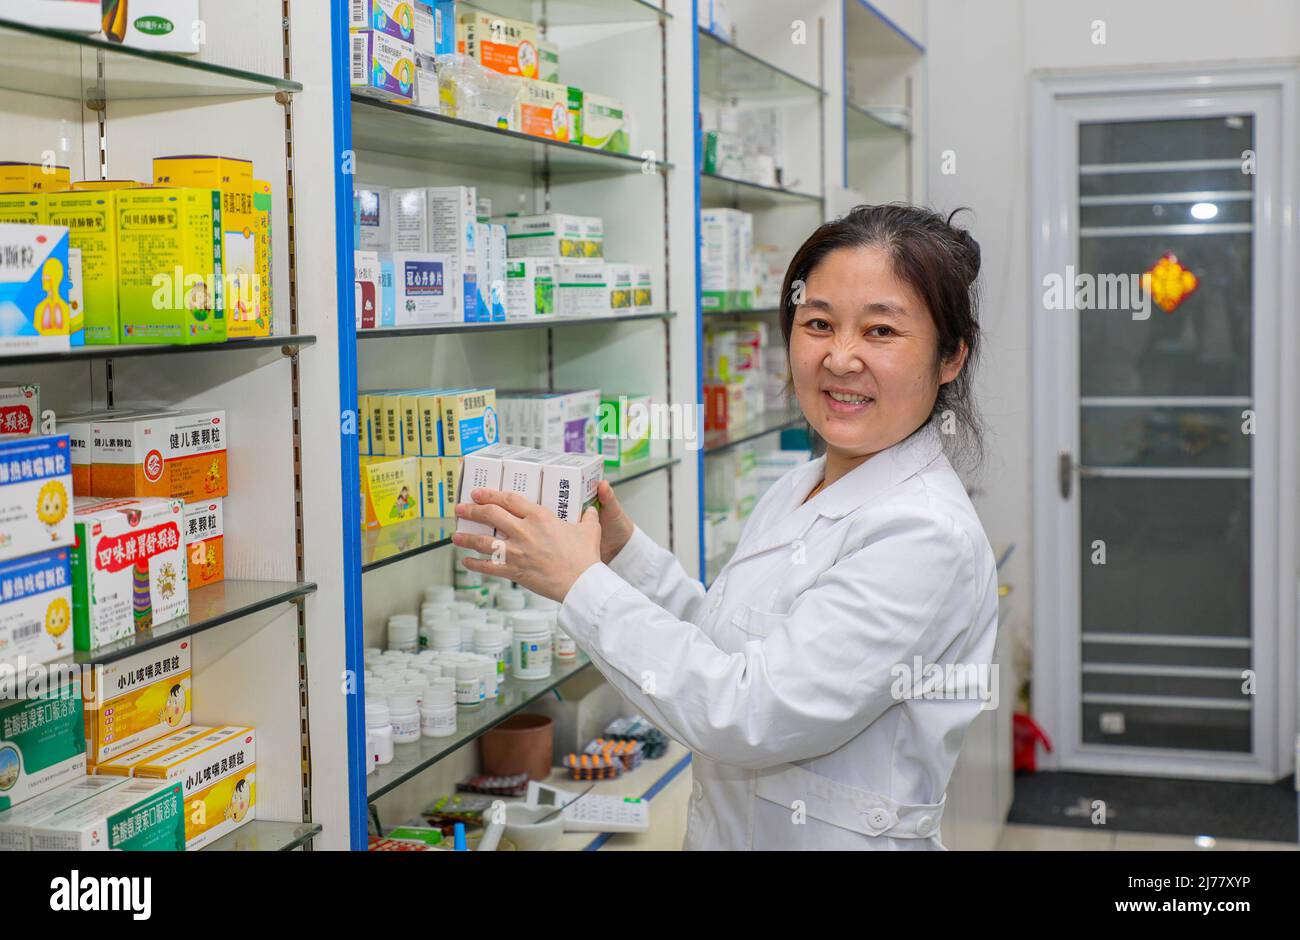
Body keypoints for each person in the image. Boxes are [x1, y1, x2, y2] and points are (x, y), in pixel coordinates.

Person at [452, 204, 1000, 850]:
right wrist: (622, 555)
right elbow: (725, 649)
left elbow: (748, 711)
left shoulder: (927, 537)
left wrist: (581, 586)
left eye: (880, 332)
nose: (841, 358)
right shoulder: (800, 485)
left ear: (949, 357)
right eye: (818, 323)